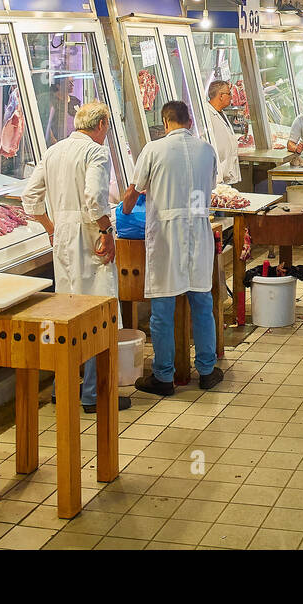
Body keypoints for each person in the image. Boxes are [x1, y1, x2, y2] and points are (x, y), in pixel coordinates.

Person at [23, 102, 130, 413]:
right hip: (89, 238)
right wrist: (106, 232)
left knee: (67, 315)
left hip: (64, 239)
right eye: (106, 129)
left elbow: (30, 196)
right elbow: (95, 198)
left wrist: (50, 228)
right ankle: (93, 394)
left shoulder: (54, 151)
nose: (105, 135)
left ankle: (62, 388)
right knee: (98, 314)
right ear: (99, 126)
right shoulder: (96, 152)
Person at [125, 100, 224, 394]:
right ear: (189, 121)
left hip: (167, 236)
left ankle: (164, 377)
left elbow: (134, 191)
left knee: (163, 309)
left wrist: (125, 209)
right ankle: (206, 371)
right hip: (198, 231)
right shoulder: (207, 151)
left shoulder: (154, 150)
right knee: (202, 305)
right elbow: (209, 186)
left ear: (165, 123)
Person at [204, 79, 241, 186]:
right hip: (217, 177)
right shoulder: (207, 116)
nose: (231, 97)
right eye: (229, 94)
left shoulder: (221, 113)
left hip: (227, 176)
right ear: (220, 96)